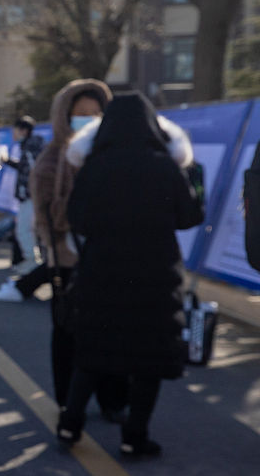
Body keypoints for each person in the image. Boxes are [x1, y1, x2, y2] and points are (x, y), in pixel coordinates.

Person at [57, 93, 203, 457]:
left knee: (92, 354)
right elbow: (189, 217)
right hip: (155, 276)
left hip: (102, 272)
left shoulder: (95, 165)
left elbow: (77, 218)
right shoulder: (164, 166)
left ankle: (69, 425)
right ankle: (134, 436)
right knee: (148, 360)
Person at [0, 78, 127, 419]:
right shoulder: (52, 161)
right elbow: (49, 218)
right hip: (67, 262)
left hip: (109, 260)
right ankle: (68, 401)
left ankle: (113, 401)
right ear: (65, 116)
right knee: (70, 335)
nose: (89, 119)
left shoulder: (113, 153)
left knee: (113, 333)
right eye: (81, 114)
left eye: (96, 113)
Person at [1, 115, 45, 274]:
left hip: (32, 197)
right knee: (29, 230)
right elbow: (25, 168)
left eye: (16, 130)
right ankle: (32, 261)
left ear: (24, 130)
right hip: (32, 196)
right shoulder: (30, 146)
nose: (14, 134)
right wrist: (8, 162)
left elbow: (35, 171)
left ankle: (32, 262)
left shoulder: (31, 147)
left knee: (24, 230)